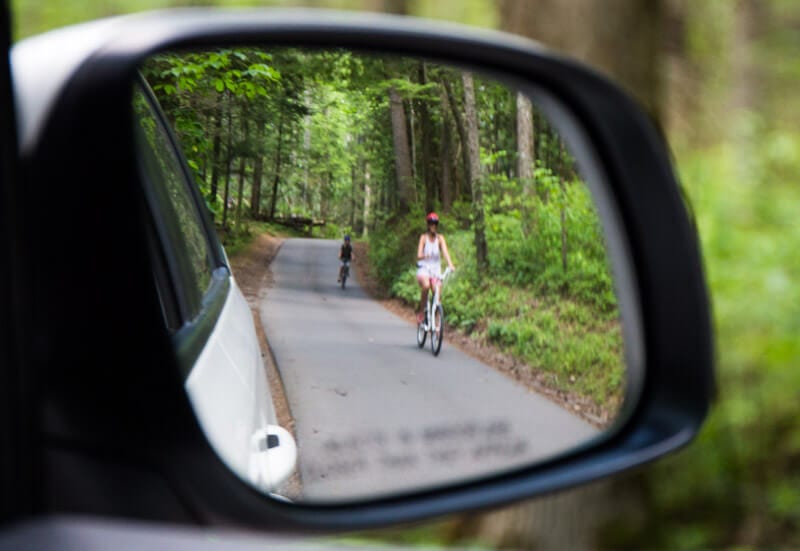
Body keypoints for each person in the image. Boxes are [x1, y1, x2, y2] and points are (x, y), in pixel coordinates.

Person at [416, 212, 455, 324]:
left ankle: (437, 321)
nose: (433, 226)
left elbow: (445, 252)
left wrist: (450, 264)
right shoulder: (423, 238)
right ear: (428, 225)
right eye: (431, 224)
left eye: (435, 224)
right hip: (424, 268)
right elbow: (418, 255)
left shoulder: (440, 238)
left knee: (437, 293)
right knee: (426, 286)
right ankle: (422, 311)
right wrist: (424, 256)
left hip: (435, 270)